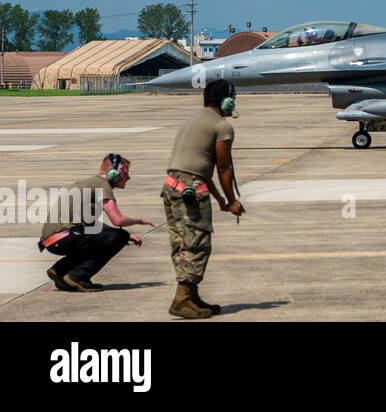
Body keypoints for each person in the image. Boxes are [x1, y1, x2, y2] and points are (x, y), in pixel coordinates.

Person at [161, 79, 245, 319]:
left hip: (171, 187)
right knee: (197, 243)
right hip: (191, 191)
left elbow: (199, 169)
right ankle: (182, 298)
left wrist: (220, 200)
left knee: (182, 242)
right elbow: (223, 167)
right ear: (227, 100)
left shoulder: (192, 120)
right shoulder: (221, 126)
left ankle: (191, 296)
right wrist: (232, 200)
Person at [39, 154, 153, 292]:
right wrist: (139, 220)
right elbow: (118, 220)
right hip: (65, 236)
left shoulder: (90, 183)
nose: (128, 178)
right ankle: (78, 277)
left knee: (99, 239)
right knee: (119, 236)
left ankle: (59, 271)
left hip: (52, 240)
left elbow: (91, 227)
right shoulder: (102, 185)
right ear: (114, 173)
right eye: (126, 173)